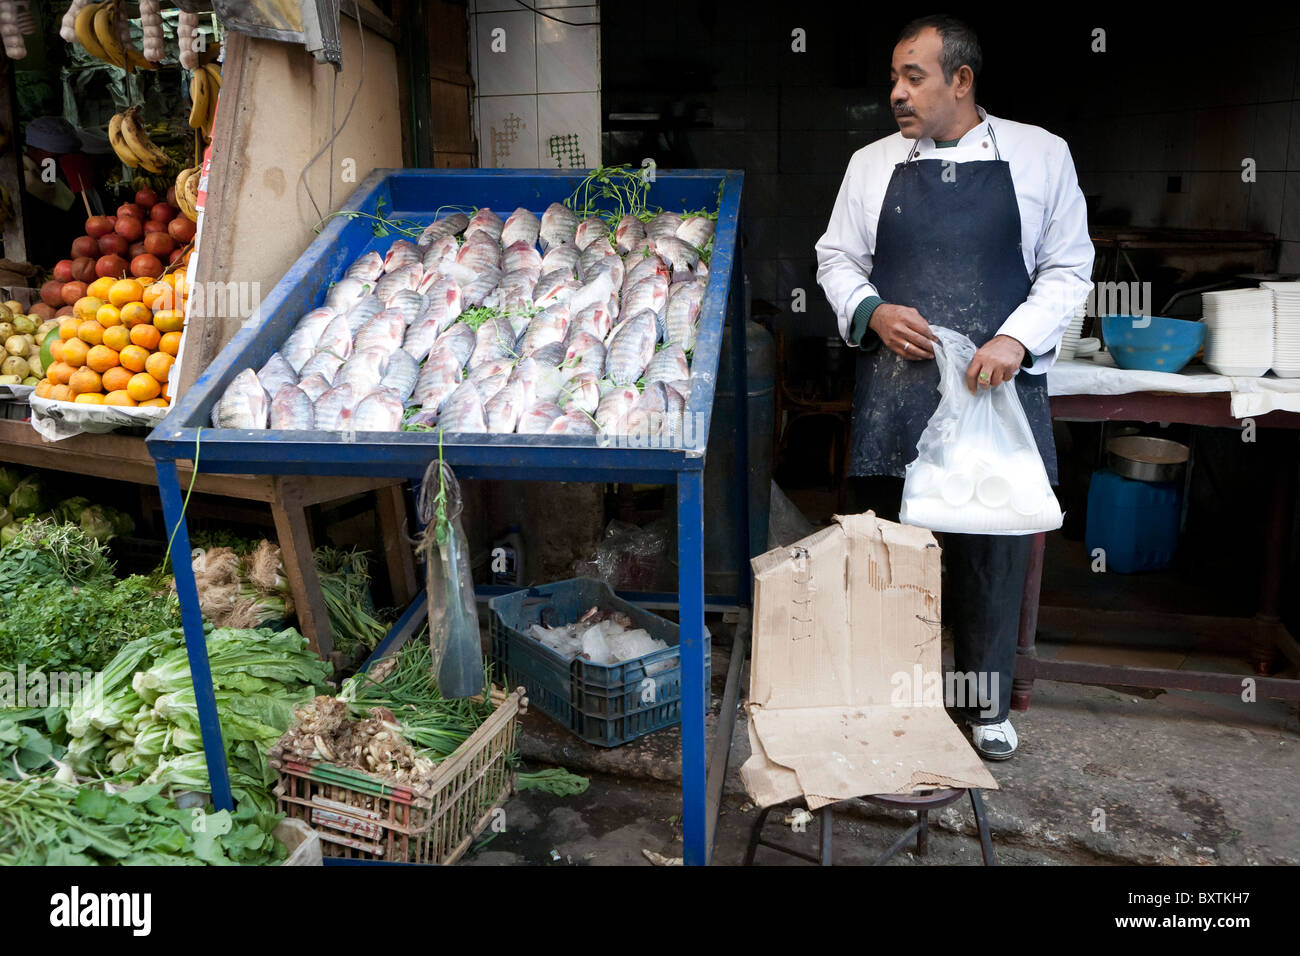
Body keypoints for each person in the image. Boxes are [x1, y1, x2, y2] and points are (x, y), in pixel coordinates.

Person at [815, 14, 1093, 759]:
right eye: (894, 79)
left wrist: (1017, 336)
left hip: (991, 393)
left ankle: (985, 708)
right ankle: (884, 701)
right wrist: (871, 312)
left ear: (961, 81)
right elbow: (835, 258)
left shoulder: (1039, 156)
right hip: (896, 389)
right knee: (889, 550)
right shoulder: (871, 163)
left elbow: (1070, 269)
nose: (897, 94)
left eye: (915, 77)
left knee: (987, 552)